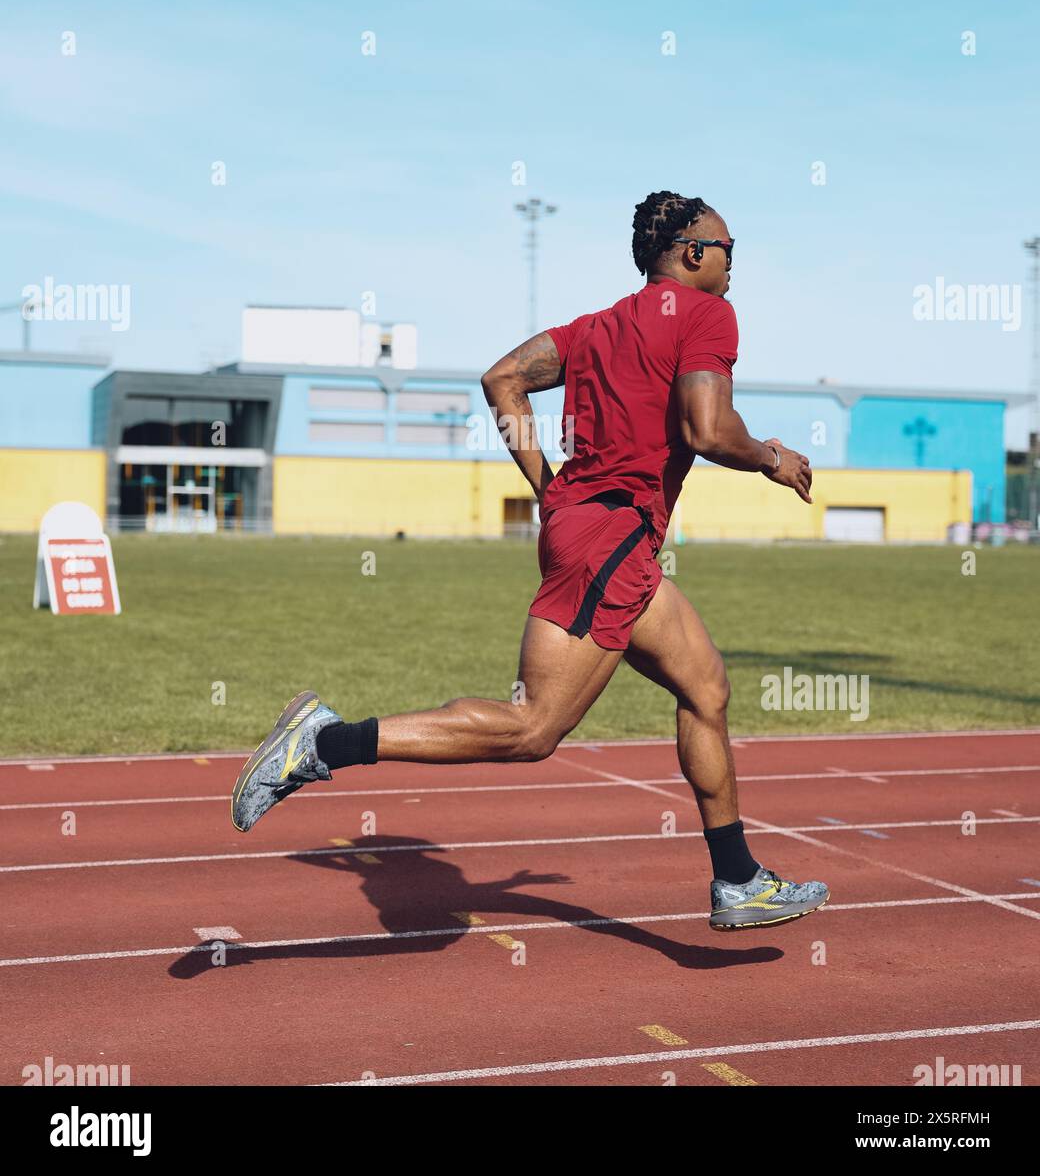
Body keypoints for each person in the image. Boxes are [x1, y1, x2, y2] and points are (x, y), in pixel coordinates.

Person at [231, 190, 828, 930]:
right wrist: (771, 456)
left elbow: (500, 378)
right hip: (609, 542)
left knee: (705, 687)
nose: (736, 263)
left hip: (606, 538)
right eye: (730, 248)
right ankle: (324, 741)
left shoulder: (594, 328)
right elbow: (707, 429)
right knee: (533, 729)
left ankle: (738, 878)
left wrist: (551, 488)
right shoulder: (709, 314)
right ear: (693, 253)